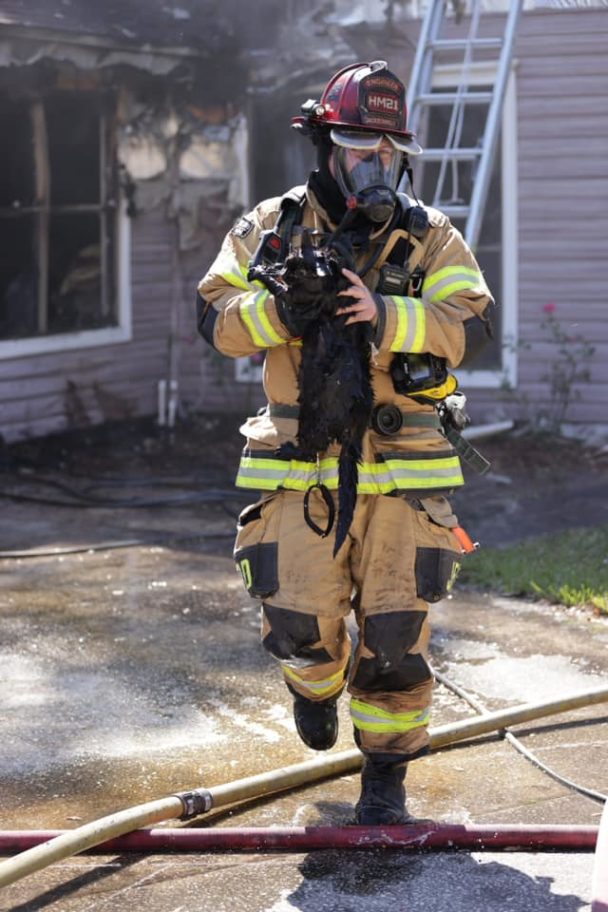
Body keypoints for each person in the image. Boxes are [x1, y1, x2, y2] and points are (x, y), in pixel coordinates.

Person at [196, 60, 494, 825]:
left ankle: (386, 781)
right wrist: (282, 311)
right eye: (363, 148)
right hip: (303, 473)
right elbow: (216, 318)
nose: (377, 166)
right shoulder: (271, 225)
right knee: (299, 624)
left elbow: (476, 329)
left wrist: (388, 317)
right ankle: (313, 685)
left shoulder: (430, 239)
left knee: (395, 636)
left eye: (390, 151)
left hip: (404, 475)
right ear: (327, 145)